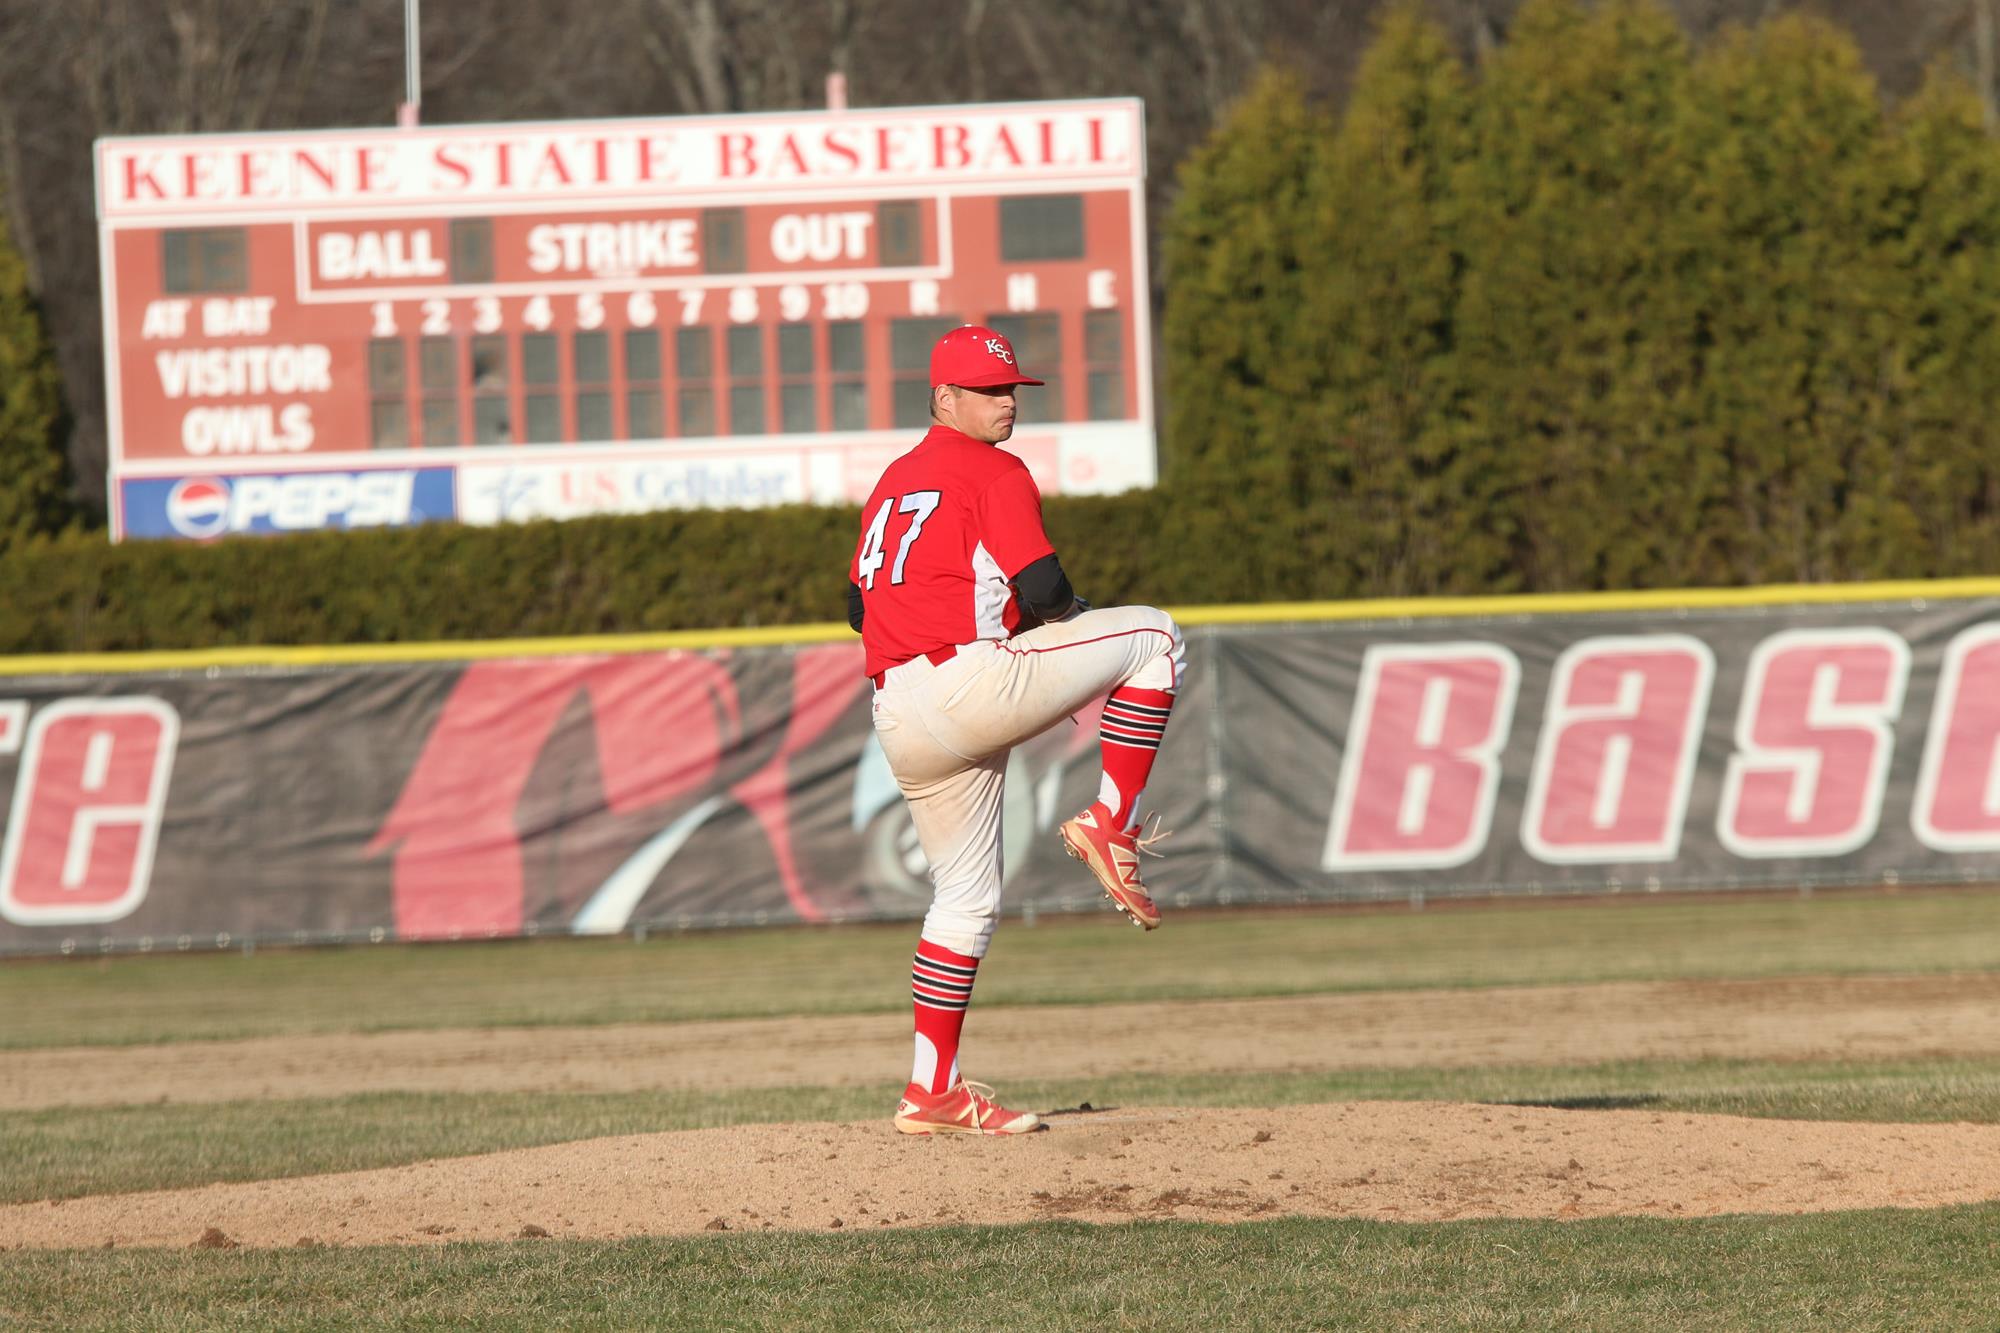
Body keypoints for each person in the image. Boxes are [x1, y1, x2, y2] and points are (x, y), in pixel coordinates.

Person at [847, 323, 1186, 1137]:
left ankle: (931, 1088)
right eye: (989, 391)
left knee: (963, 900)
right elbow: (1044, 583)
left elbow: (856, 607)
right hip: (970, 679)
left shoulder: (894, 480)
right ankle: (1112, 821)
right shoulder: (992, 469)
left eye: (1011, 390)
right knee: (1156, 638)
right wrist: (1067, 638)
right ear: (944, 397)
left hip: (898, 708)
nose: (1006, 404)